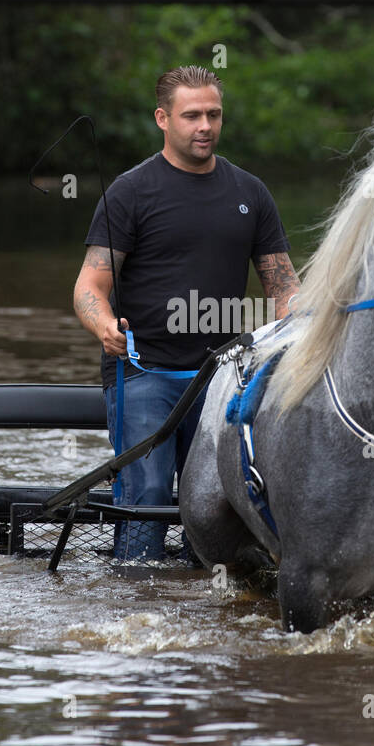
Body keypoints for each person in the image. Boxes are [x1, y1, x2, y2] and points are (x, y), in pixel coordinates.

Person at [73, 66, 299, 561]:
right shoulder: (130, 192)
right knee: (148, 498)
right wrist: (104, 324)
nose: (205, 126)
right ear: (162, 119)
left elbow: (283, 287)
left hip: (222, 378)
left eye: (213, 114)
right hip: (141, 373)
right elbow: (90, 285)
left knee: (223, 506)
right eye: (192, 115)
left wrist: (301, 332)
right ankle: (139, 602)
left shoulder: (250, 193)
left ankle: (210, 600)